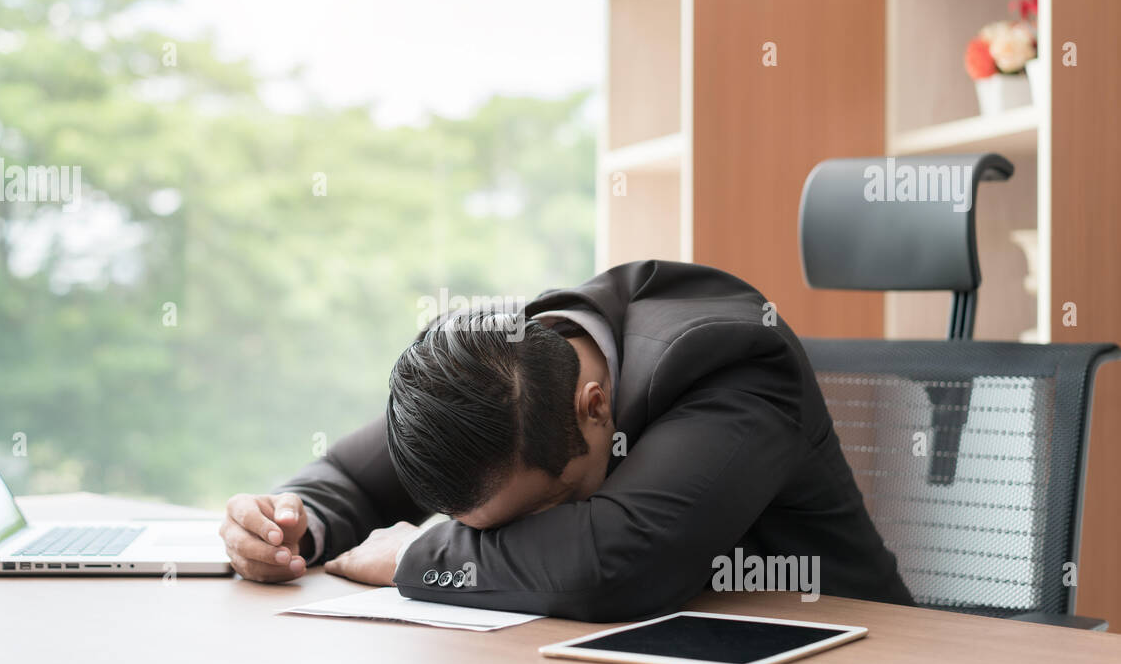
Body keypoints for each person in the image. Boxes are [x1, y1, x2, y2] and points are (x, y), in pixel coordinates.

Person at [220, 260, 913, 621]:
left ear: (595, 407)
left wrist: (414, 553)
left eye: (542, 513)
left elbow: (607, 562)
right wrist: (288, 523)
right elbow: (349, 475)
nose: (508, 544)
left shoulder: (728, 361)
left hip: (843, 658)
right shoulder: (499, 366)